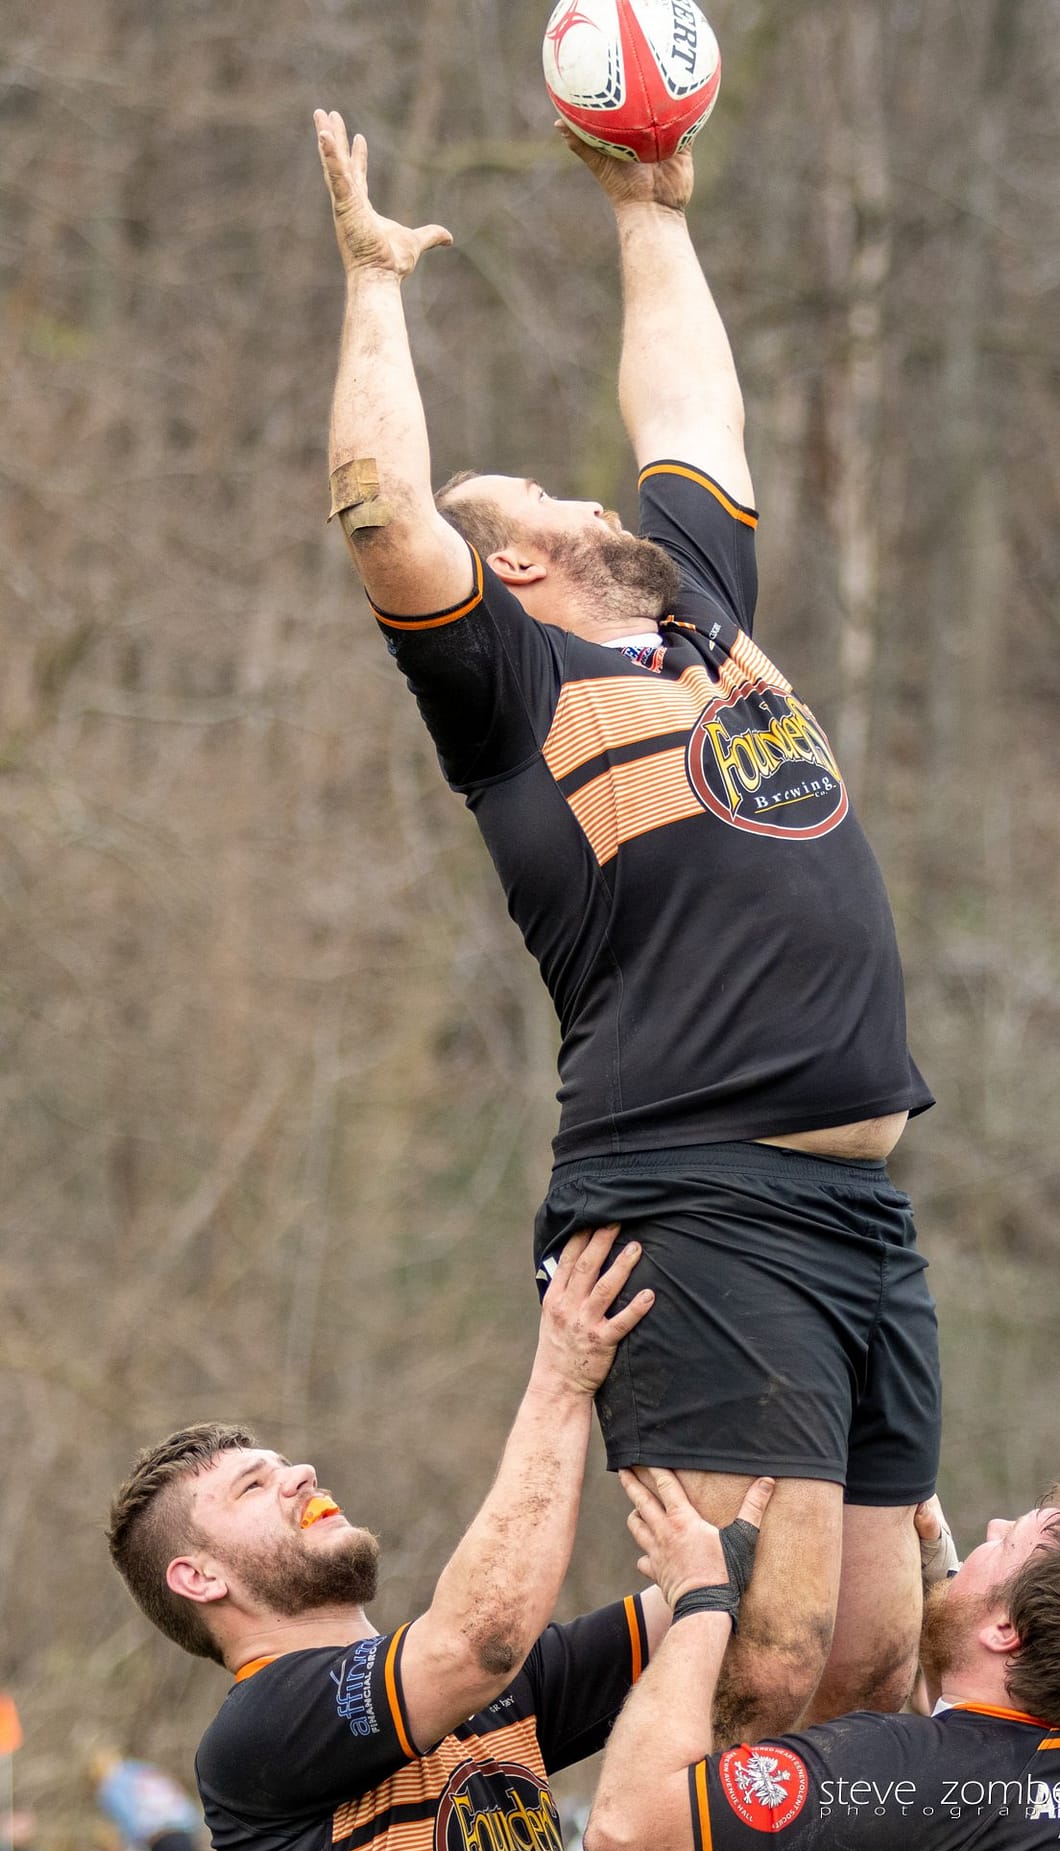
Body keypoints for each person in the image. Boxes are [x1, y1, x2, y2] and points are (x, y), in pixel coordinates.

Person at [312, 101, 939, 1765]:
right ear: (512, 568)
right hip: (691, 1184)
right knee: (761, 1670)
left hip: (850, 1205)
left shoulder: (703, 621)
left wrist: (651, 213)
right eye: (545, 498)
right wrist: (375, 284)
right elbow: (381, 507)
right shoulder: (514, 691)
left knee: (880, 1664)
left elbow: (690, 403)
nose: (598, 492)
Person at [105, 1229, 660, 1851]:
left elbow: (700, 1600)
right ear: (200, 1577)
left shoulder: (493, 1690)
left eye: (288, 1465)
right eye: (253, 1486)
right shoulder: (257, 1730)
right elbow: (476, 1641)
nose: (303, 1473)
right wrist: (562, 1377)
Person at [585, 1470, 1060, 1851]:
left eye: (1008, 1541)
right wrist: (953, 1582)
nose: (991, 1525)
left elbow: (625, 1827)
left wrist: (701, 1597)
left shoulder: (899, 1778)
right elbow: (988, 1732)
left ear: (1007, 1632)